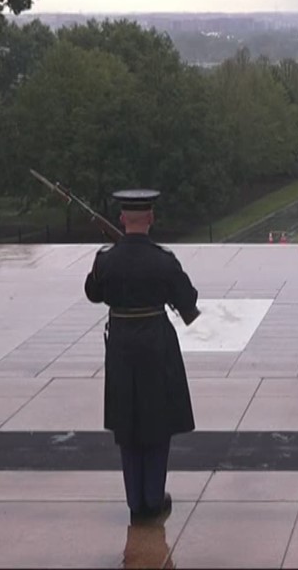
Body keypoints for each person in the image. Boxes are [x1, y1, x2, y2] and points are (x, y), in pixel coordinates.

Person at [84, 189, 201, 523]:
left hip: (120, 345)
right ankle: (153, 495)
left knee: (127, 420)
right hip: (156, 343)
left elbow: (93, 293)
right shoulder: (163, 260)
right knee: (157, 419)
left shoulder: (106, 259)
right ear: (151, 218)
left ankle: (135, 499)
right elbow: (188, 302)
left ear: (122, 218)